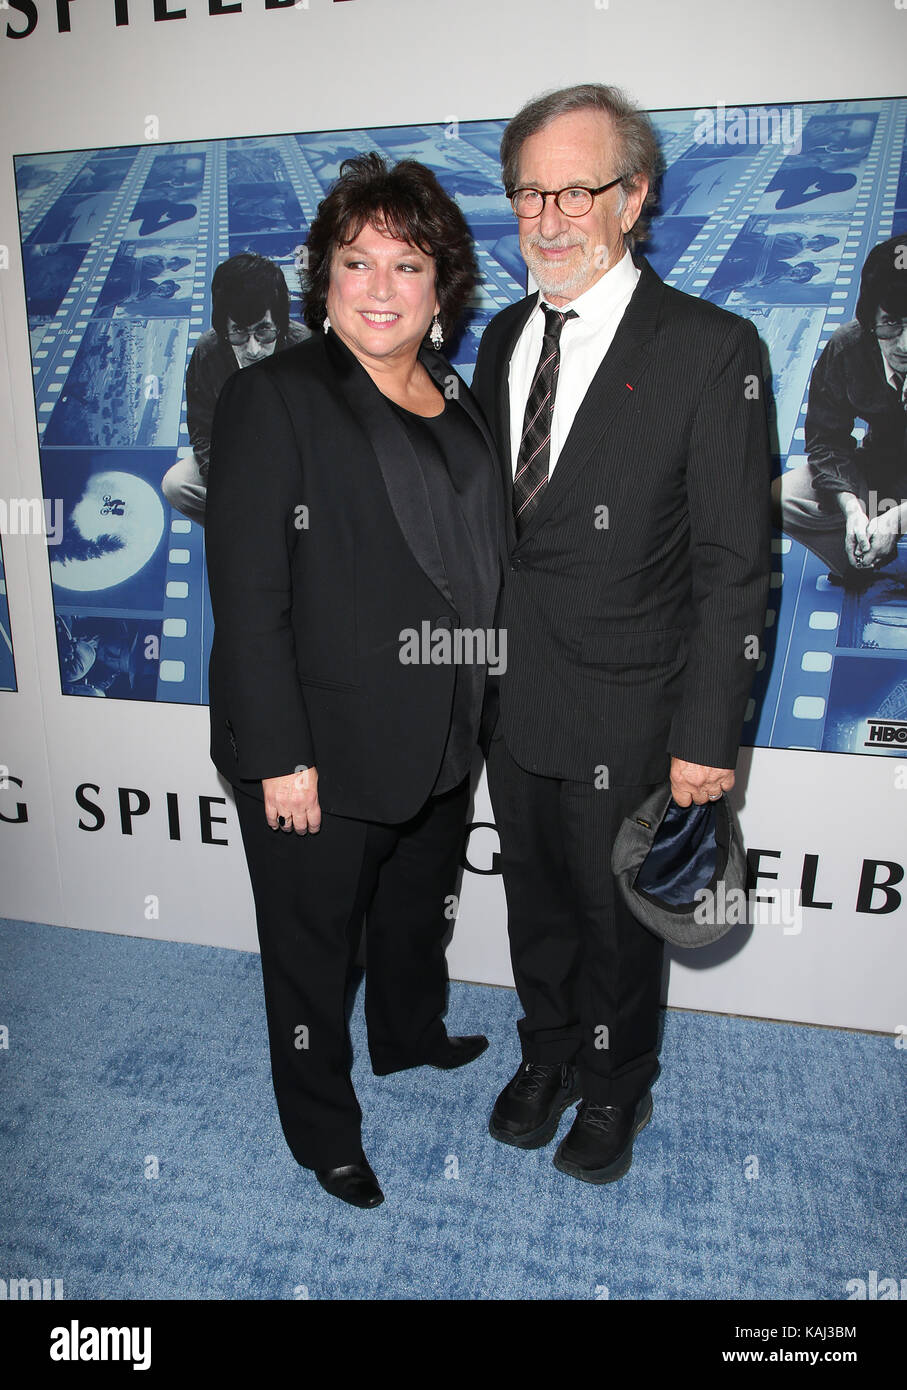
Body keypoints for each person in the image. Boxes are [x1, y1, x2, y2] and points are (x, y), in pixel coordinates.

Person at [471, 84, 771, 1186]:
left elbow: (737, 566)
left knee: (616, 920)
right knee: (537, 904)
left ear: (634, 197)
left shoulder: (711, 348)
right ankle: (545, 1055)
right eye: (527, 194)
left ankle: (612, 1087)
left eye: (576, 190)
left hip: (638, 709)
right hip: (513, 701)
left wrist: (707, 742)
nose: (548, 218)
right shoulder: (503, 334)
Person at [205, 154, 504, 1209]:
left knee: (415, 909)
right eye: (356, 261)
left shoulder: (455, 393)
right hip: (315, 746)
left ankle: (410, 1036)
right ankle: (320, 1129)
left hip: (437, 720)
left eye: (407, 264)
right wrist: (281, 756)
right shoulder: (272, 397)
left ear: (441, 285)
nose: (380, 287)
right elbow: (247, 599)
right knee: (312, 954)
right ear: (322, 277)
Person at [773, 236, 907, 582]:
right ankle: (862, 553)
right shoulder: (848, 348)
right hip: (881, 466)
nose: (904, 345)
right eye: (891, 324)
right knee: (781, 496)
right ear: (869, 318)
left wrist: (898, 519)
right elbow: (826, 439)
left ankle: (886, 534)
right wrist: (853, 508)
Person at [162, 252, 309, 526]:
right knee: (176, 484)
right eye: (239, 333)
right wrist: (231, 481)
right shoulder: (207, 353)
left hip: (294, 464)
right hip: (239, 460)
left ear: (280, 323)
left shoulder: (306, 351)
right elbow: (203, 431)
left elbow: (322, 439)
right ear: (222, 328)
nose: (253, 349)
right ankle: (246, 528)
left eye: (264, 332)